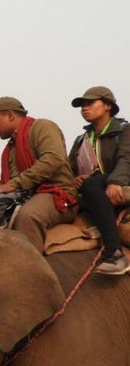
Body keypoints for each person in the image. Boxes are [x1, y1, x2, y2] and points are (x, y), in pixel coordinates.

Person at [0, 96, 77, 252]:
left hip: (56, 193)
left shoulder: (41, 126)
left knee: (28, 216)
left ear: (10, 115)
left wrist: (12, 185)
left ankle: (30, 273)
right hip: (26, 194)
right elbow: (8, 183)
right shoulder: (11, 148)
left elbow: (54, 158)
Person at [68, 86, 130, 275]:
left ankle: (114, 252)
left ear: (108, 106)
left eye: (90, 103)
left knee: (92, 184)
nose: (84, 108)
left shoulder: (124, 131)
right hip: (94, 188)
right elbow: (68, 168)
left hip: (122, 182)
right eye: (82, 105)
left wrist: (115, 182)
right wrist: (74, 180)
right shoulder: (81, 140)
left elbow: (126, 159)